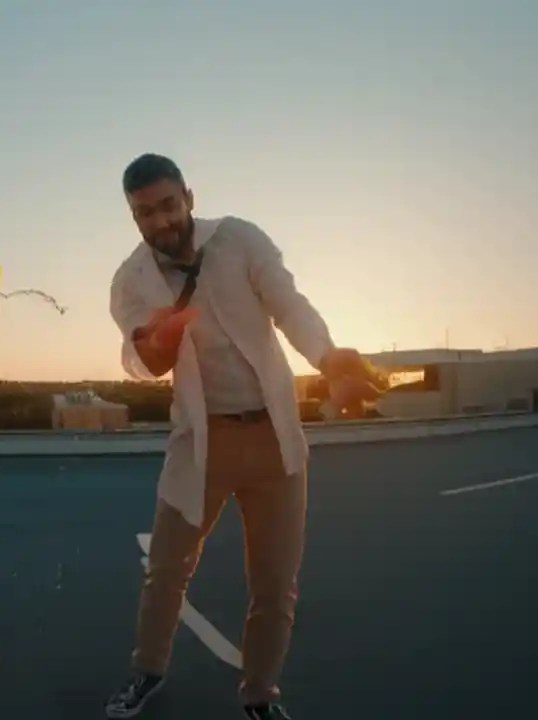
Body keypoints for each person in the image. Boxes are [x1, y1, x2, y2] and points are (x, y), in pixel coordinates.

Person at [103, 155, 381, 720]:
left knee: (276, 585)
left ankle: (259, 695)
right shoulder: (130, 280)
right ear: (133, 217)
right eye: (144, 213)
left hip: (274, 439)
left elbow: (289, 305)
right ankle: (147, 671)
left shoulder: (239, 239)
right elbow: (139, 355)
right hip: (200, 444)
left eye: (168, 205)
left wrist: (329, 359)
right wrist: (153, 348)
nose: (160, 221)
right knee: (166, 569)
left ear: (189, 196)